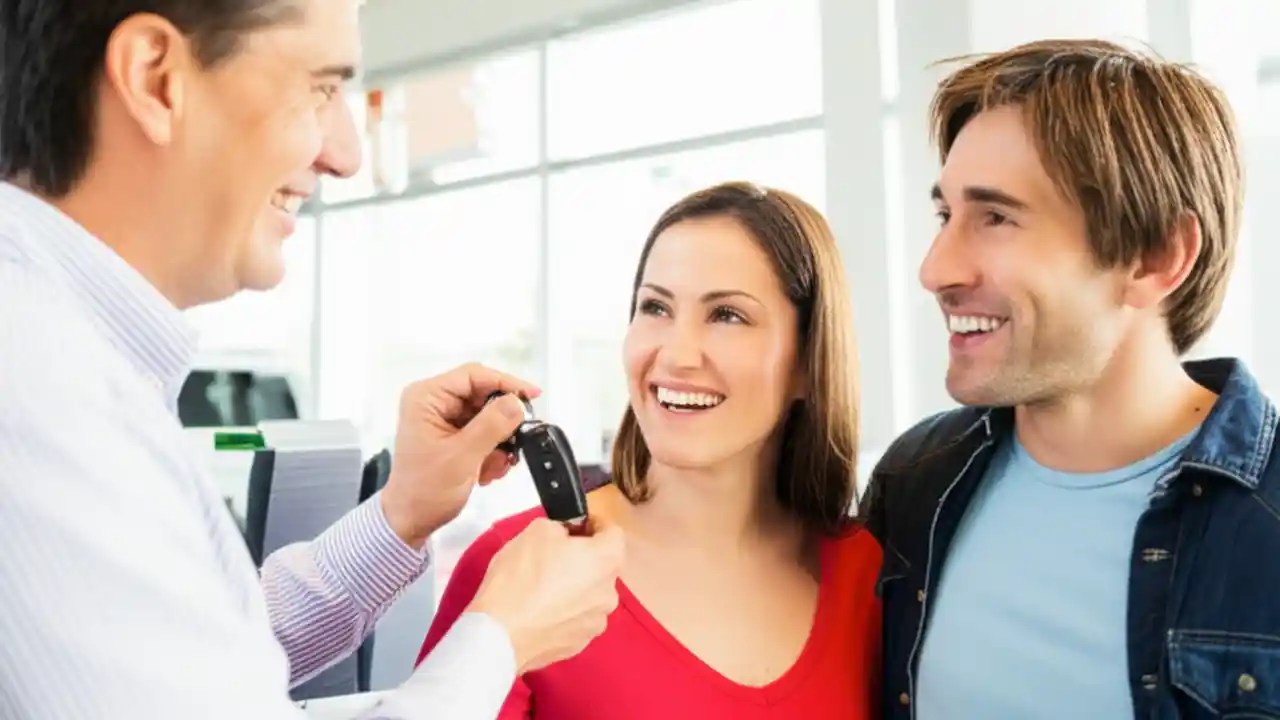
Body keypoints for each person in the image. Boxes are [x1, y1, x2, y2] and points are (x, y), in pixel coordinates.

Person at [0, 1, 624, 718]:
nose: (347, 154)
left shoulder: (66, 362)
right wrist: (502, 638)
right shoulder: (42, 395)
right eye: (322, 89)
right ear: (155, 78)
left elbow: (197, 661)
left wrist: (400, 516)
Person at [859, 39, 1280, 720]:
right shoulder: (915, 482)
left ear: (1155, 257)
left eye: (995, 217)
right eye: (946, 215)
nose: (936, 269)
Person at [416, 181, 884, 719]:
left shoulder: (868, 572)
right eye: (656, 307)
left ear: (808, 360)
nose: (676, 353)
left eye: (727, 315)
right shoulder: (518, 570)